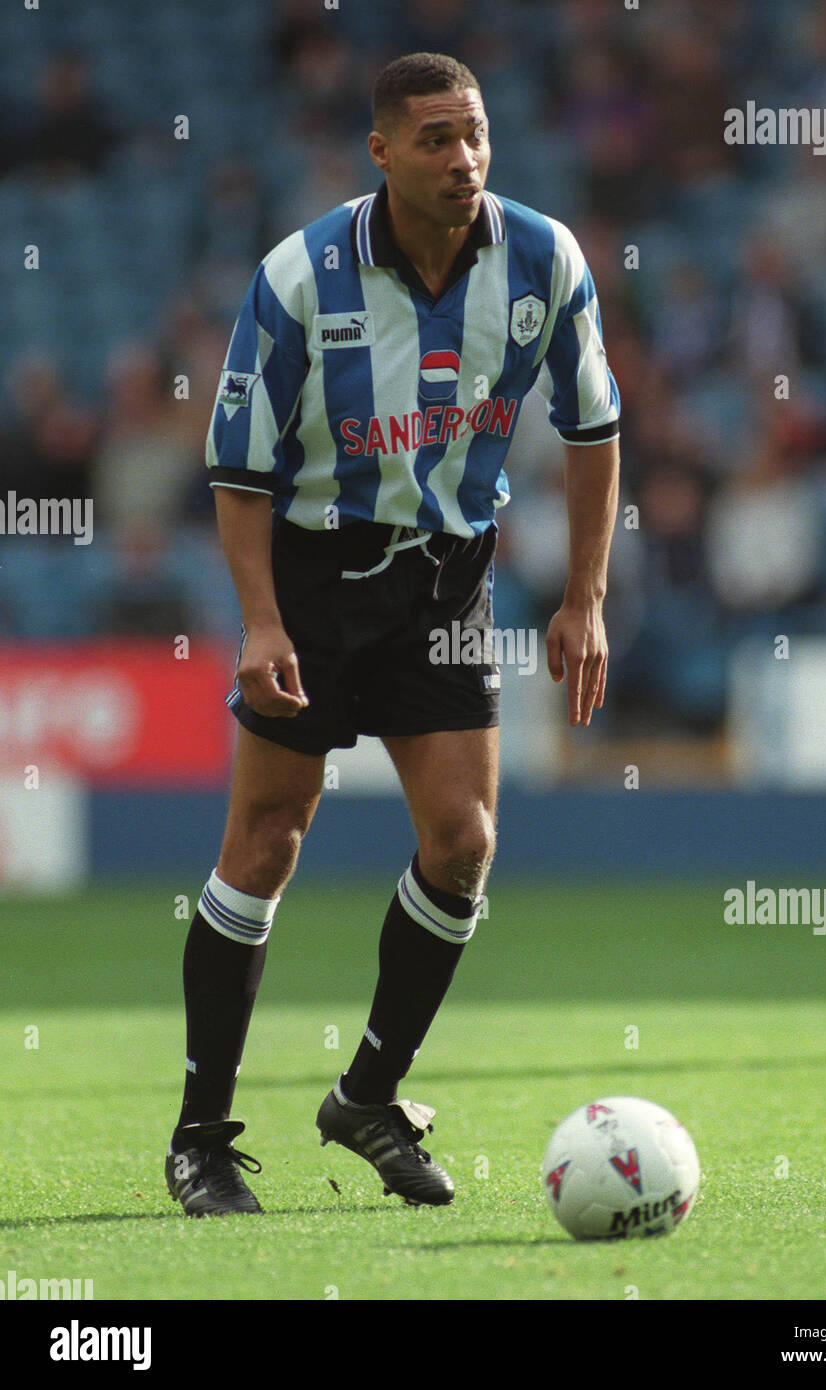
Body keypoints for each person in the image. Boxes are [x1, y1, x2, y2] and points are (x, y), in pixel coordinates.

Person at [165, 52, 620, 1216]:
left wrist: (584, 597)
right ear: (380, 153)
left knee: (464, 844)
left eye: (473, 134)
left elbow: (592, 426)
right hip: (314, 581)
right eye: (434, 139)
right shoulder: (299, 277)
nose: (462, 158)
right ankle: (200, 1138)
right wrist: (261, 619)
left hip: (447, 581)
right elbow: (238, 468)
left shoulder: (543, 258)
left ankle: (368, 1094)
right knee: (265, 844)